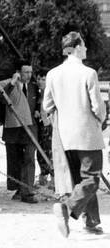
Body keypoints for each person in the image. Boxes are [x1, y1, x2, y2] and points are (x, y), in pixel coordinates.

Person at [43, 31, 106, 237]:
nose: (86, 49)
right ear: (77, 47)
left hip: (65, 138)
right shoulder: (89, 73)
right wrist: (100, 120)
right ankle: (66, 207)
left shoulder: (52, 74)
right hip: (87, 136)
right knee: (91, 180)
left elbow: (47, 105)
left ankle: (92, 222)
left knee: (80, 181)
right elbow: (98, 107)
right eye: (84, 45)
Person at [0, 66, 38, 202]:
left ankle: (27, 192)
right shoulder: (9, 85)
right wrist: (12, 83)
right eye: (26, 72)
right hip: (13, 127)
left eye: (30, 72)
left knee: (29, 157)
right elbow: (1, 98)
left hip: (30, 127)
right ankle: (18, 189)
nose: (29, 75)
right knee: (14, 159)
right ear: (18, 73)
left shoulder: (34, 87)